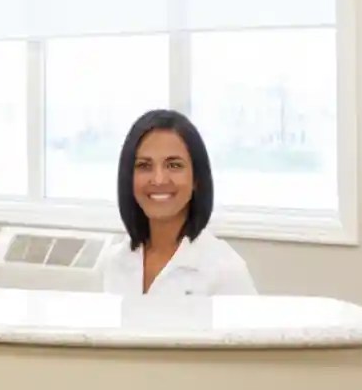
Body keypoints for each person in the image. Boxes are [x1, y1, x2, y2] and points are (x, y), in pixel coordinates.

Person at [99, 109, 257, 296]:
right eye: (144, 166)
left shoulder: (226, 270)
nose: (158, 180)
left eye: (174, 165)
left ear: (196, 179)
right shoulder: (113, 262)